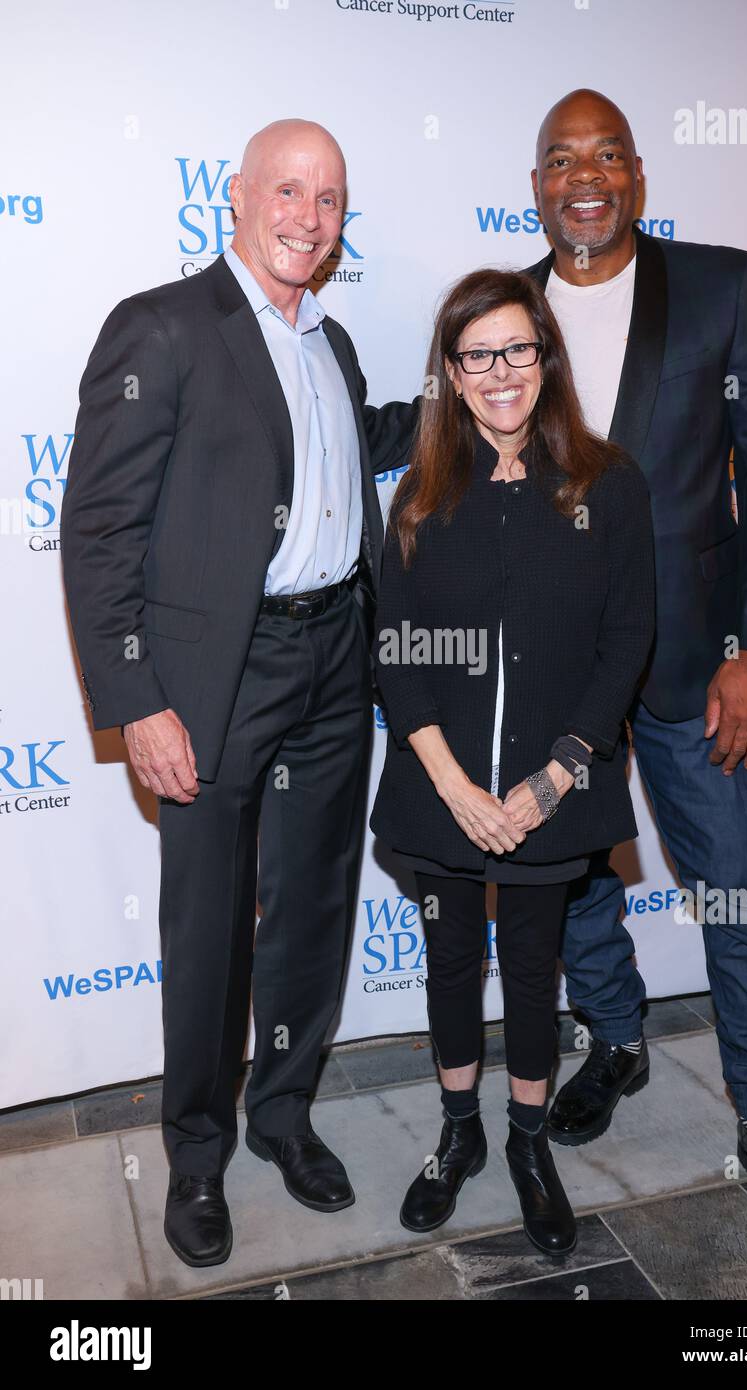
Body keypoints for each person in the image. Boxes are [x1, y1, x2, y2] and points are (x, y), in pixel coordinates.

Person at [61, 119, 410, 1268]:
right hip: (214, 680)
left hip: (330, 665)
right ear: (240, 196)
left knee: (311, 907)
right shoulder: (163, 327)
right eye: (291, 191)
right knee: (210, 929)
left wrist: (482, 390)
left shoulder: (334, 344)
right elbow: (100, 528)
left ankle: (284, 1115)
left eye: (330, 199)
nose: (310, 216)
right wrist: (137, 699)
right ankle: (198, 1158)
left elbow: (348, 452)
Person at [525, 88, 747, 1262]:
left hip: (705, 667)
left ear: (638, 176)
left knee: (746, 889)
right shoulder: (511, 309)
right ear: (538, 184)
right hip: (560, 673)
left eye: (605, 157)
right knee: (575, 881)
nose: (584, 177)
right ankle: (615, 1037)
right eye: (561, 159)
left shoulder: (721, 284)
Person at [369, 268, 654, 1254]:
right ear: (451, 371)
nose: (501, 372)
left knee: (535, 971)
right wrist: (455, 788)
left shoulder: (607, 485)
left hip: (553, 793)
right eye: (477, 354)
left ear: (546, 357)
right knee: (452, 962)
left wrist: (554, 776)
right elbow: (395, 651)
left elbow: (627, 641)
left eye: (518, 349)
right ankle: (459, 1136)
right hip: (438, 792)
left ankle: (528, 1139)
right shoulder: (420, 491)